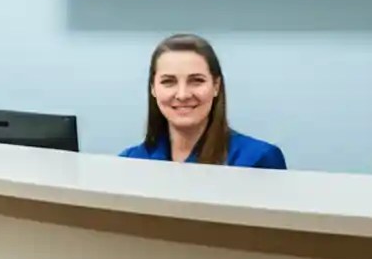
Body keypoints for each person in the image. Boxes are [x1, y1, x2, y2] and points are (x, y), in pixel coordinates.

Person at [120, 33, 286, 169]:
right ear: (153, 88)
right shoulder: (130, 162)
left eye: (196, 80)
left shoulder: (259, 160)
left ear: (216, 86)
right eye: (168, 82)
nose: (183, 94)